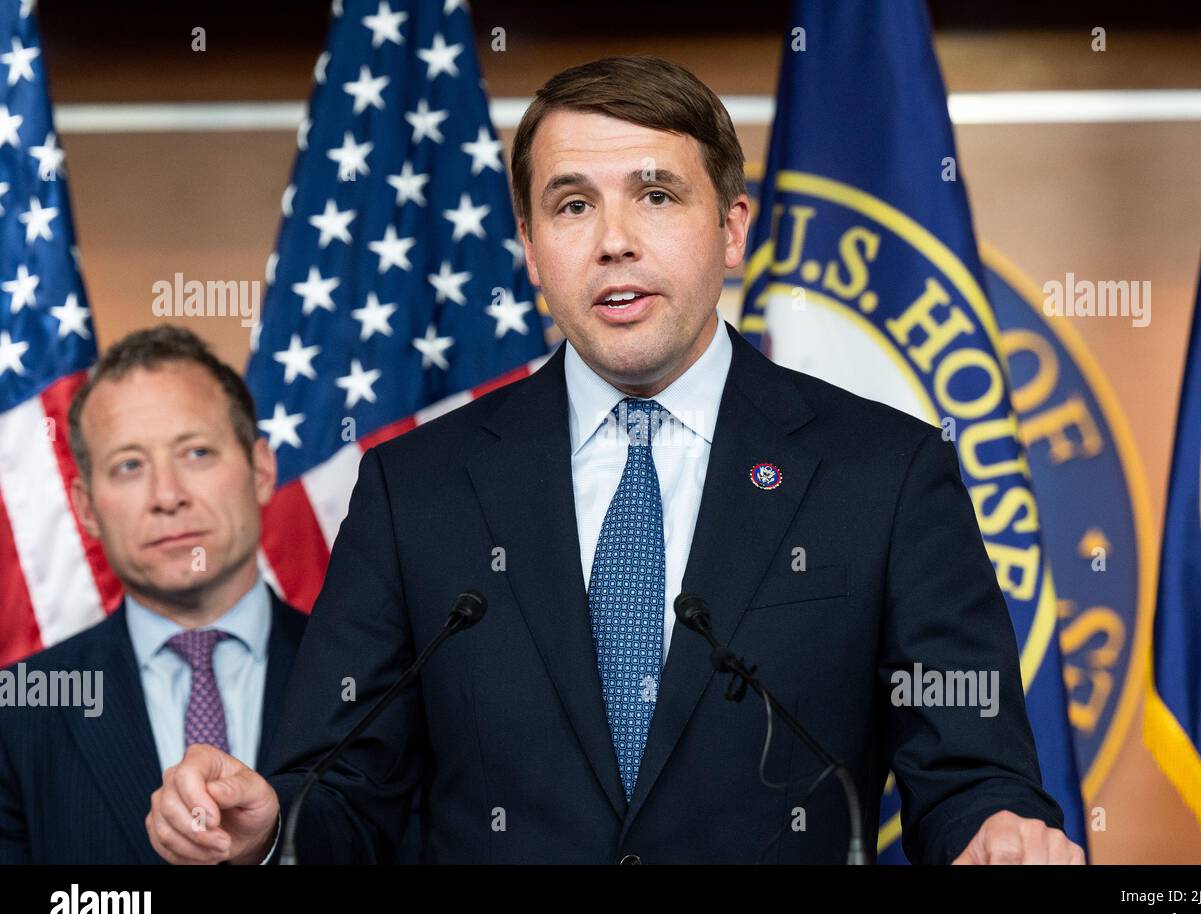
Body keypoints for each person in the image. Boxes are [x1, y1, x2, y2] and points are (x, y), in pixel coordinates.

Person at [146, 56, 1084, 865]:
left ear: (732, 230)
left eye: (658, 195)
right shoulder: (415, 489)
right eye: (571, 204)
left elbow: (967, 769)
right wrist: (268, 830)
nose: (614, 240)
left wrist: (999, 828)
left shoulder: (884, 474)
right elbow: (345, 789)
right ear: (529, 249)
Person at [0, 325, 307, 863]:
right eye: (129, 466)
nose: (167, 495)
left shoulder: (377, 682)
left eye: (196, 452)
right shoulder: (17, 712)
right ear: (88, 508)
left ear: (261, 470)